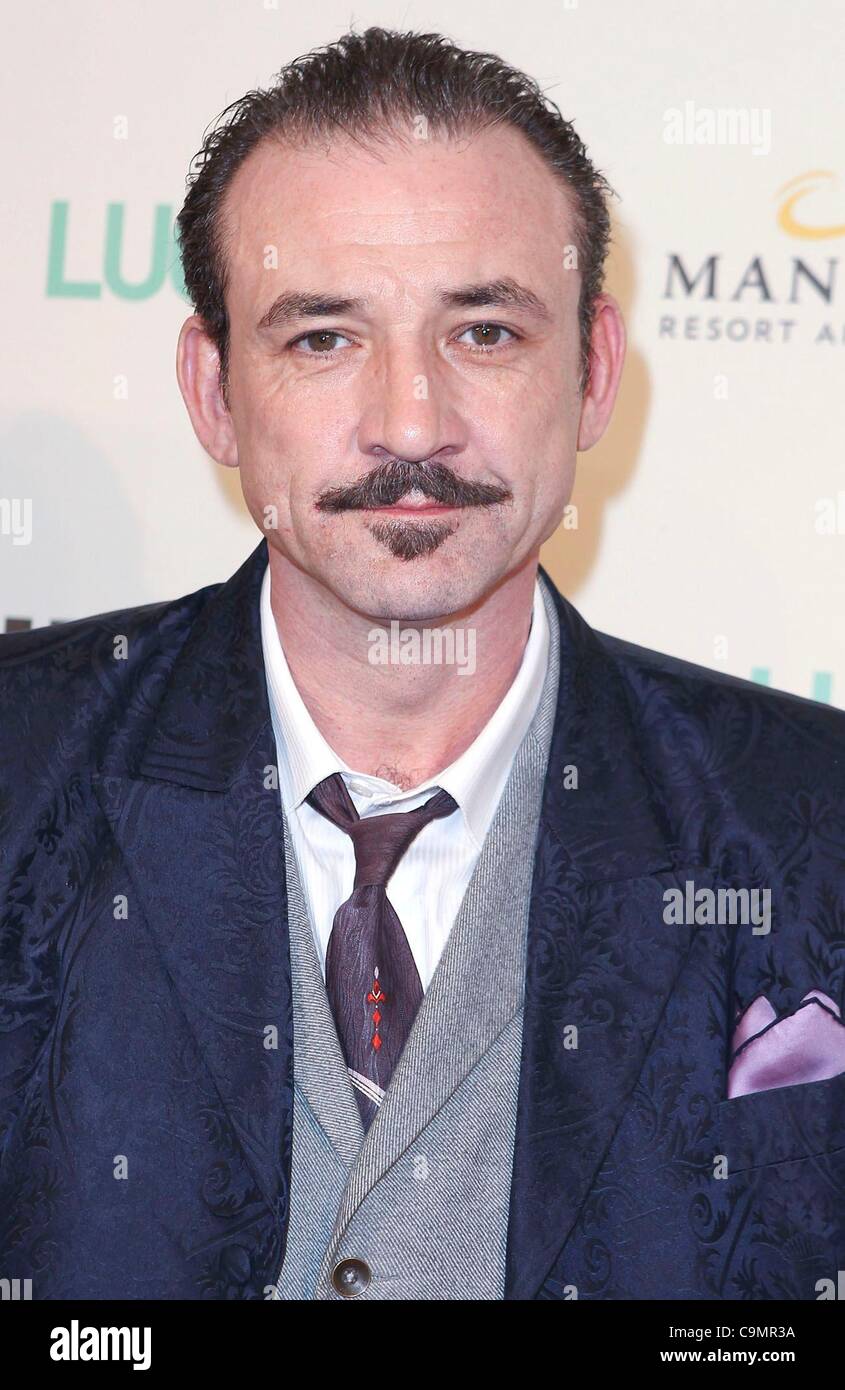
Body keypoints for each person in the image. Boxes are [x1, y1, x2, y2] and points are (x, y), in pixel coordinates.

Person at [1, 26, 843, 1302]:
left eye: (485, 333)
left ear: (593, 371)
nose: (411, 424)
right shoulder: (21, 769)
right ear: (215, 391)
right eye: (323, 338)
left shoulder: (809, 818)